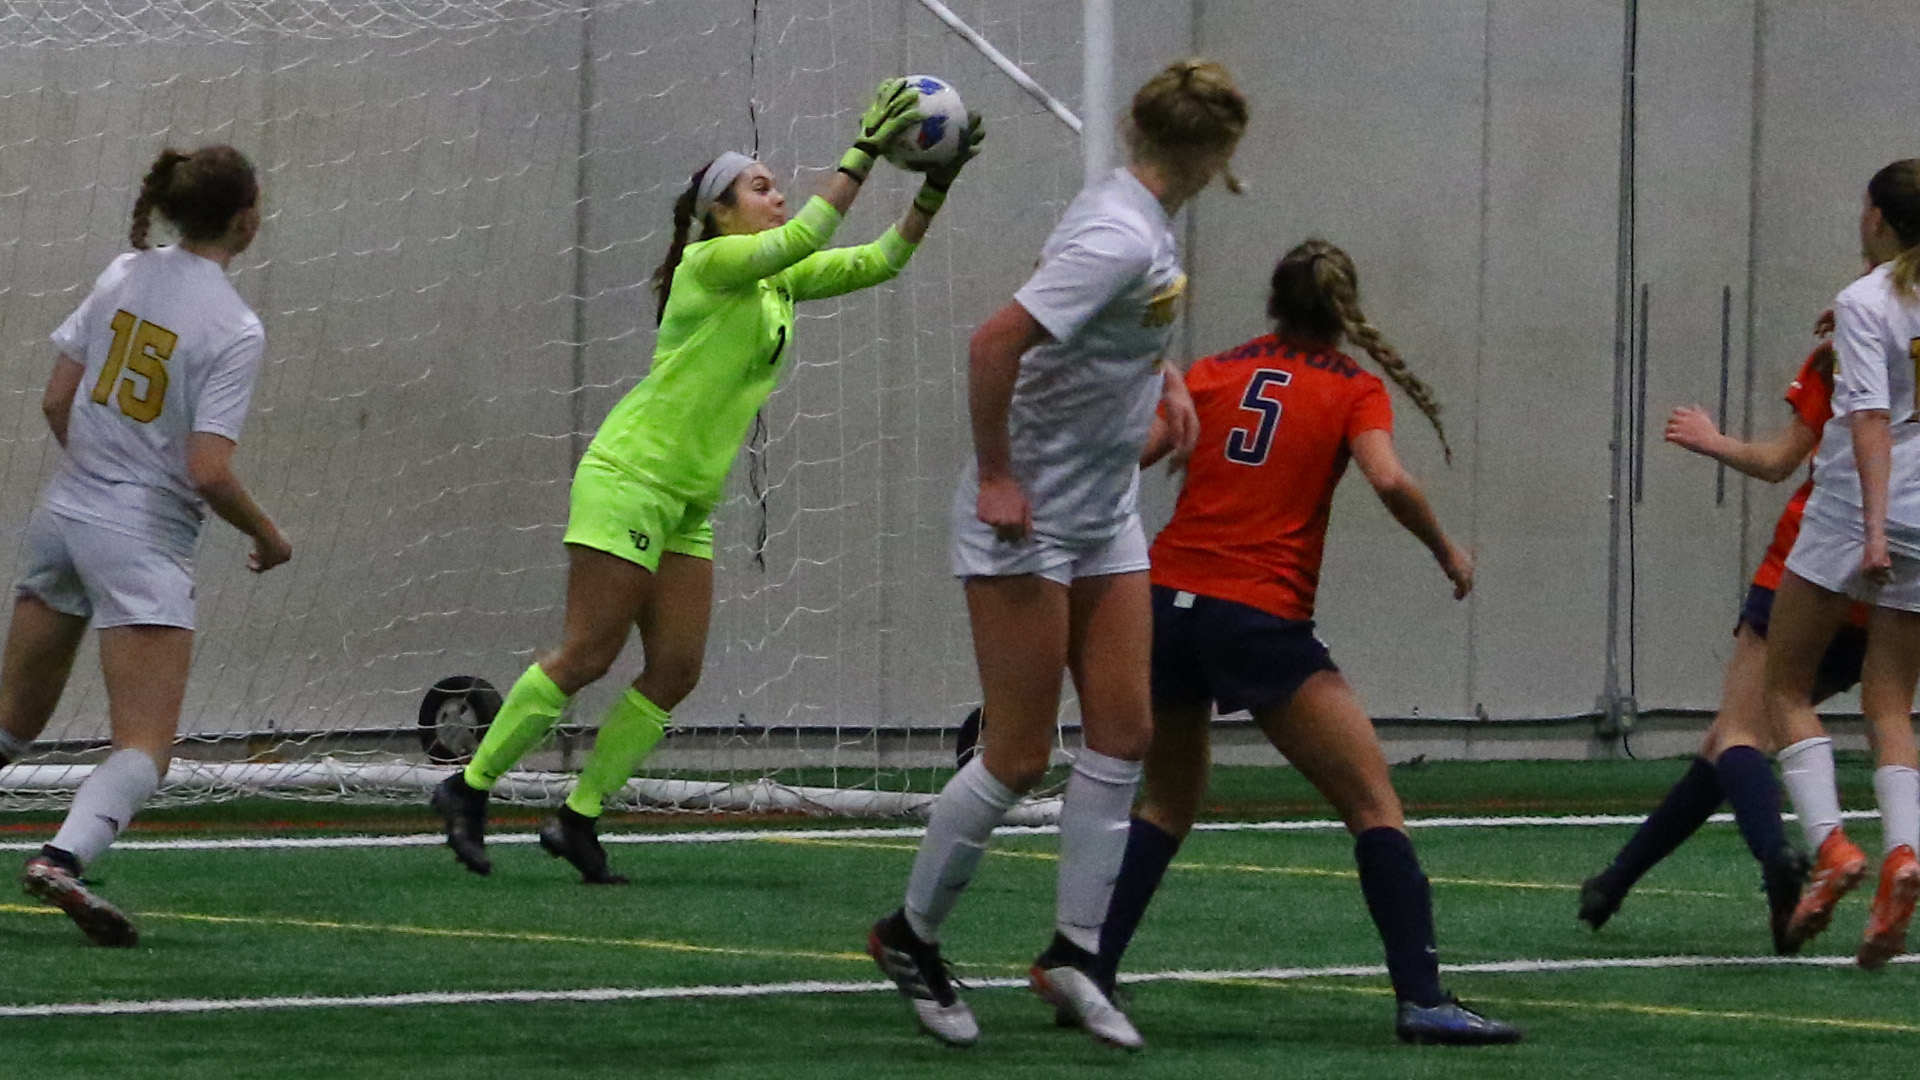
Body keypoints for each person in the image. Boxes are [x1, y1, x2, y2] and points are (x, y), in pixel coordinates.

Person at [430, 79, 983, 884]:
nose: (778, 193)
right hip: (631, 476)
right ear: (721, 210)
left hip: (687, 498)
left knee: (677, 668)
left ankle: (578, 817)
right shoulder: (711, 262)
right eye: (761, 186)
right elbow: (802, 238)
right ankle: (468, 787)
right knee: (588, 651)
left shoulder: (773, 282)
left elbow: (882, 259)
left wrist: (936, 184)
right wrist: (861, 154)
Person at [868, 59, 1247, 1051]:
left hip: (1103, 513)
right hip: (1025, 519)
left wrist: (1159, 379)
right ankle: (910, 934)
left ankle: (1074, 955)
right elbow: (995, 343)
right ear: (1214, 154)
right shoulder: (1121, 229)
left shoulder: (1134, 213)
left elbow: (1098, 320)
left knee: (1124, 735)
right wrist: (997, 475)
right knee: (1020, 755)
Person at [1089, 240, 1519, 1045]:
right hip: (1255, 616)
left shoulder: (1213, 371)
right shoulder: (1352, 387)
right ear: (1344, 311)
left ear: (1272, 302)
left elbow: (1135, 455)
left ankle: (1089, 970)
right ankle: (1423, 998)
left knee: (1168, 802)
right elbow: (1389, 479)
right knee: (1371, 801)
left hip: (1166, 604)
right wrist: (1446, 551)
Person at [0, 145, 289, 946]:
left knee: (11, 722)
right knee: (144, 745)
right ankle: (63, 858)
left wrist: (97, 479)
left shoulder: (124, 273)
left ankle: (62, 855)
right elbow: (209, 469)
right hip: (141, 536)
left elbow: (58, 399)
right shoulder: (234, 325)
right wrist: (269, 535)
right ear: (246, 218)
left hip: (64, 513)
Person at [1579, 328, 1870, 954]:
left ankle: (1780, 857)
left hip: (1813, 557)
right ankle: (1614, 882)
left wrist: (1711, 441)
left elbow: (1780, 461)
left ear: (1877, 224)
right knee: (1731, 738)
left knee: (1740, 734)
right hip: (1890, 578)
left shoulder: (1856, 322)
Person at [1764, 159, 1920, 968]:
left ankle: (1832, 849)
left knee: (1785, 684)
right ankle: (1904, 852)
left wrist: (1868, 529)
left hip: (1859, 511)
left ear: (1882, 224)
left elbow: (1865, 415)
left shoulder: (1867, 302)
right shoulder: (1877, 303)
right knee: (1891, 702)